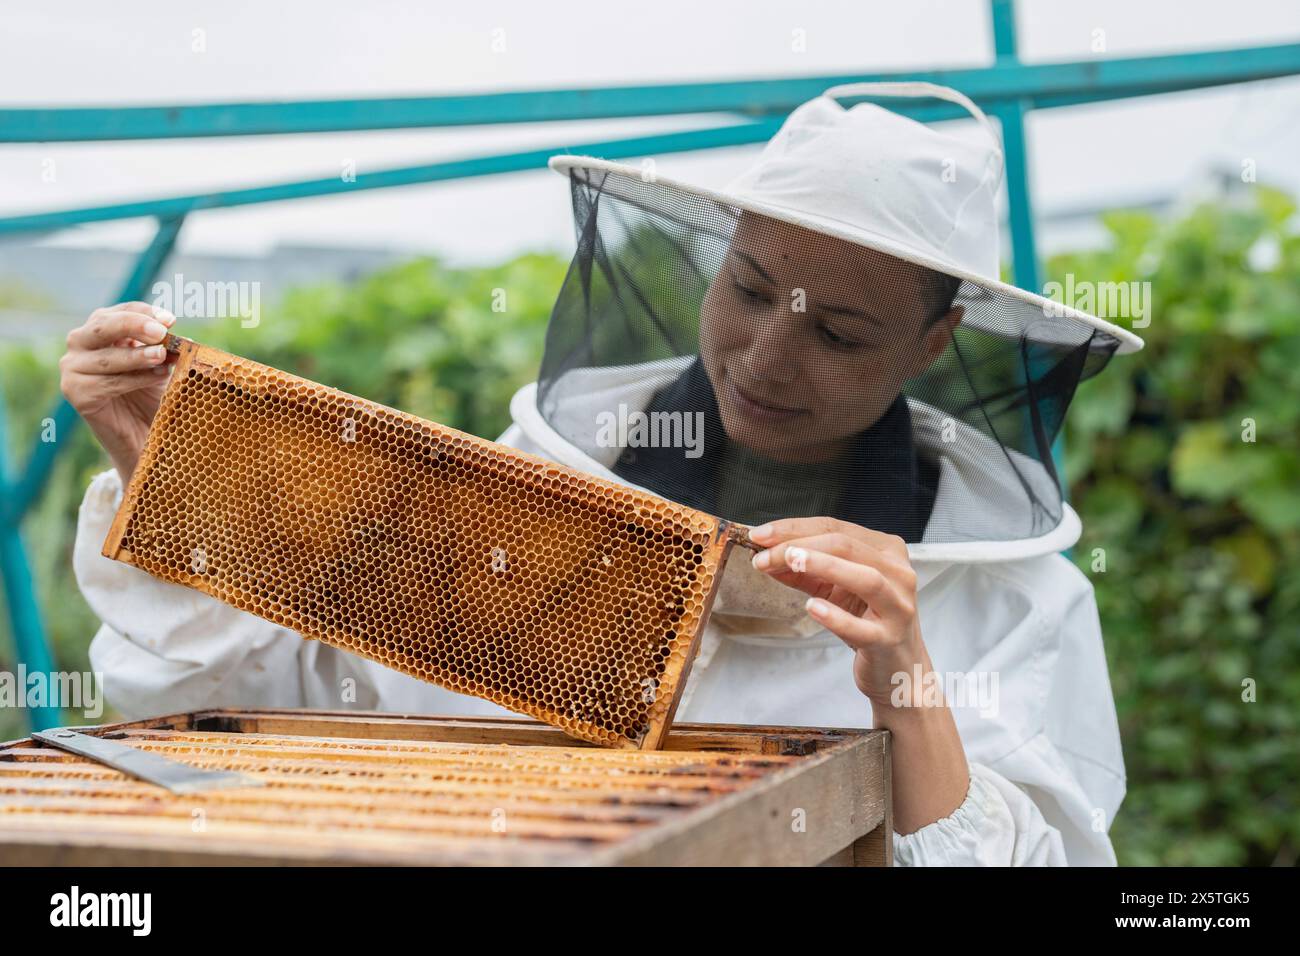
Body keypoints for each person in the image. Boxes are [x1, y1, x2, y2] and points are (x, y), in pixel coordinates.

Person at [62, 82, 1143, 865]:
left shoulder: (1017, 598)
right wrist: (166, 470)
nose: (766, 358)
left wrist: (907, 685)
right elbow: (265, 707)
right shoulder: (530, 485)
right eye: (752, 290)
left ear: (933, 341)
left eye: (841, 333)